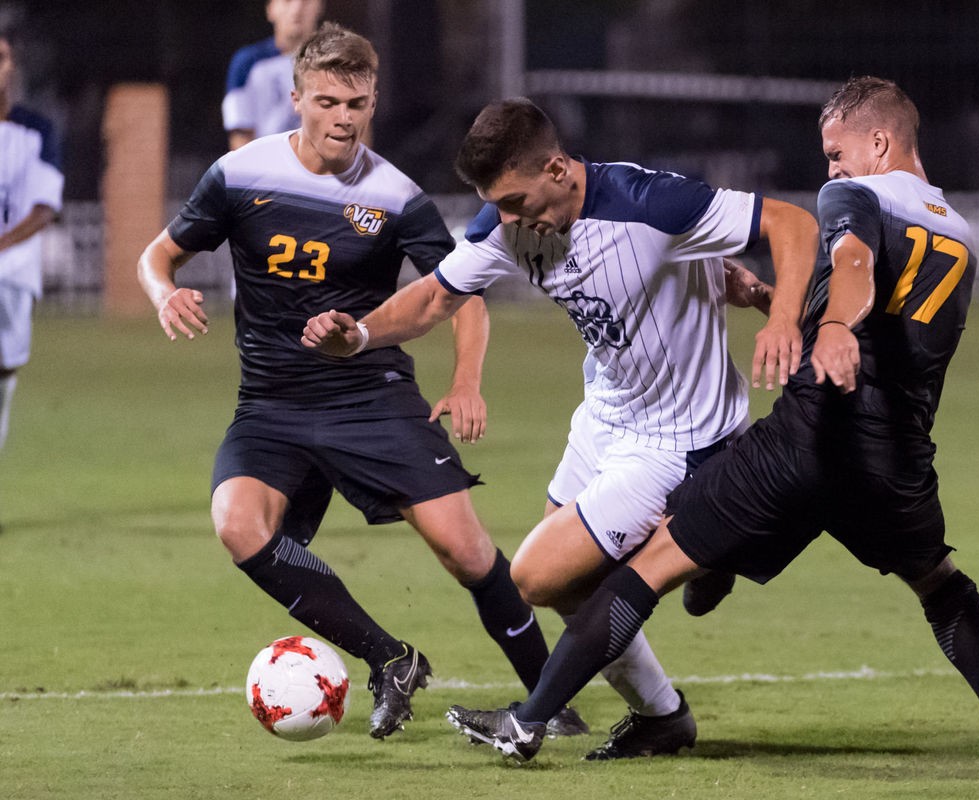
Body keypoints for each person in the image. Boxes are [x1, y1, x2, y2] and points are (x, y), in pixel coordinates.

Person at [441, 77, 979, 763]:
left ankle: (531, 721)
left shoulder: (855, 195)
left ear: (879, 142)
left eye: (837, 151)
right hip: (897, 458)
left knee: (650, 563)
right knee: (939, 580)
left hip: (809, 439)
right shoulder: (959, 233)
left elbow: (850, 267)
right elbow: (888, 342)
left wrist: (829, 323)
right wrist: (771, 300)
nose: (830, 168)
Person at [302, 97, 818, 759]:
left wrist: (781, 318)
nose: (509, 219)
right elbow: (436, 295)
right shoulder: (509, 222)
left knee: (537, 577)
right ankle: (663, 714)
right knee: (571, 586)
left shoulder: (646, 201)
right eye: (498, 205)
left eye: (516, 201)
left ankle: (710, 542)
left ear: (557, 168)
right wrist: (364, 334)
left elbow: (793, 223)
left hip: (678, 439)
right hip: (605, 415)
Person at [136, 24, 583, 741]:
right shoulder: (241, 173)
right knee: (238, 527)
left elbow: (461, 296)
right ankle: (390, 660)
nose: (345, 117)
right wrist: (165, 294)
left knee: (467, 554)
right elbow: (156, 257)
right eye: (329, 101)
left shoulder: (395, 196)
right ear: (296, 100)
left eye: (359, 102)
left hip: (369, 399)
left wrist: (466, 381)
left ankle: (551, 700)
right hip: (272, 405)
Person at [0, 29, 64, 498]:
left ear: (11, 67)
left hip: (12, 272)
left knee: (3, 376)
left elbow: (43, 209)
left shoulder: (37, 129)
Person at [223, 0, 324, 151]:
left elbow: (357, 128)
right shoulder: (247, 63)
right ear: (270, 9)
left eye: (306, 1)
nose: (297, 9)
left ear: (319, 7)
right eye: (287, 1)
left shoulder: (339, 63)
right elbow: (239, 136)